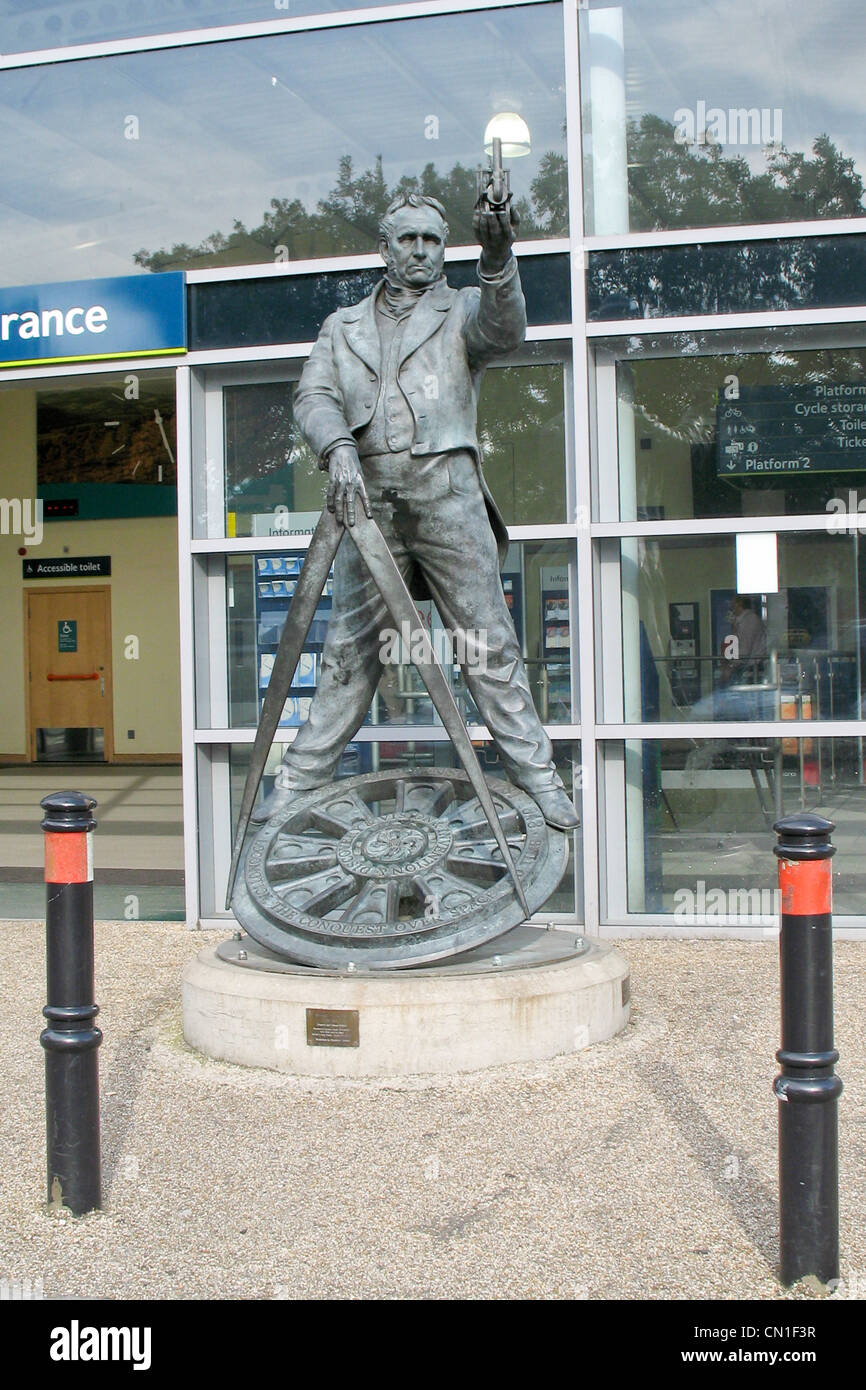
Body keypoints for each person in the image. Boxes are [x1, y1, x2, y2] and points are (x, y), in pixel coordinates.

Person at [253, 189, 578, 830]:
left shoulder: (462, 309)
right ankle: (296, 783)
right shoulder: (341, 327)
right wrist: (338, 446)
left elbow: (505, 330)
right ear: (385, 249)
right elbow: (312, 395)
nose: (422, 252)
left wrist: (498, 252)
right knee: (351, 651)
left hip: (447, 497)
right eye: (409, 240)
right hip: (366, 505)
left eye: (433, 240)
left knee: (487, 645)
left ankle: (538, 777)